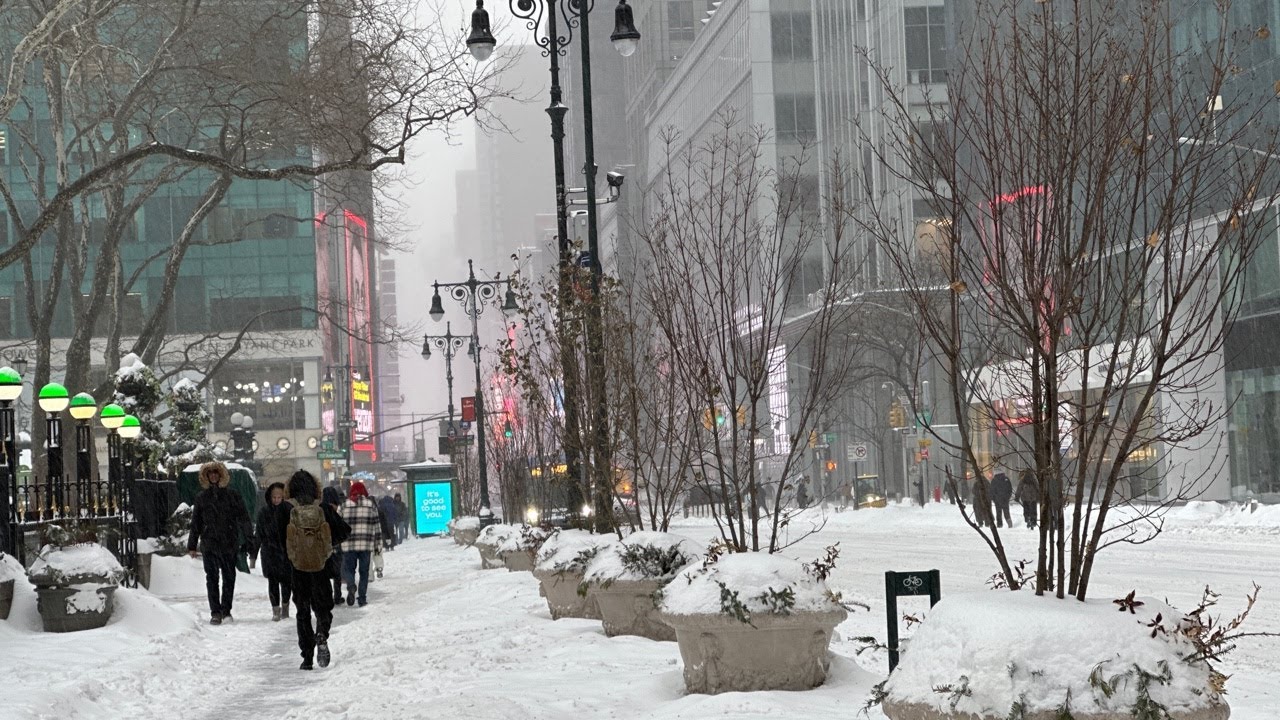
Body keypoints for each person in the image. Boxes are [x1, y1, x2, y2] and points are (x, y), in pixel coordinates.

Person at [284, 469, 350, 671]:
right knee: (323, 608)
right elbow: (344, 531)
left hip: (298, 570)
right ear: (315, 488)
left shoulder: (287, 510)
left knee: (302, 612)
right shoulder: (323, 509)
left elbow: (280, 539)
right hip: (320, 568)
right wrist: (326, 547)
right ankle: (321, 633)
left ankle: (307, 656)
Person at [187, 461, 254, 625]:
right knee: (212, 578)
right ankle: (215, 611)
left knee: (229, 577)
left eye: (216, 473)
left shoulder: (232, 496)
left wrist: (248, 538)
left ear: (221, 475)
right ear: (207, 477)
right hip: (210, 543)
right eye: (211, 474)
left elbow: (244, 518)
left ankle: (226, 610)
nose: (214, 476)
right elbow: (196, 522)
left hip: (228, 542)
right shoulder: (202, 498)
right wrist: (192, 544)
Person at [252, 482, 293, 621]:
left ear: (283, 497)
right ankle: (275, 609)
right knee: (273, 582)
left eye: (279, 497)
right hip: (270, 553)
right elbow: (259, 534)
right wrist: (253, 554)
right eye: (274, 497)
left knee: (287, 582)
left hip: (287, 552)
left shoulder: (289, 510)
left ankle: (285, 606)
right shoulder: (264, 512)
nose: (276, 500)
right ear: (269, 497)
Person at [339, 481, 381, 607]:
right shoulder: (371, 505)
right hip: (366, 545)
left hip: (348, 545)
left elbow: (337, 525)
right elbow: (377, 527)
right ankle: (362, 598)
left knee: (349, 570)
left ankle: (351, 586)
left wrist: (338, 542)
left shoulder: (343, 506)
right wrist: (378, 544)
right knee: (364, 572)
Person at [321, 485, 346, 606]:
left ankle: (327, 596)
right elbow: (343, 529)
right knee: (337, 573)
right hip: (336, 545)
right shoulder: (336, 511)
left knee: (324, 573)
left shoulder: (320, 510)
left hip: (323, 547)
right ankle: (337, 596)